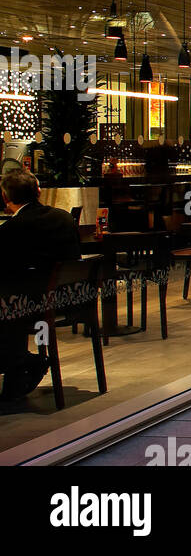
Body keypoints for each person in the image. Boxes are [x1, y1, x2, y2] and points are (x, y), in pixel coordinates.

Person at [0, 169, 81, 406]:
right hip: (71, 299)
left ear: (6, 198)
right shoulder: (64, 218)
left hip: (36, 305)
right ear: (38, 191)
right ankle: (20, 366)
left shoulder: (12, 230)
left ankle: (23, 363)